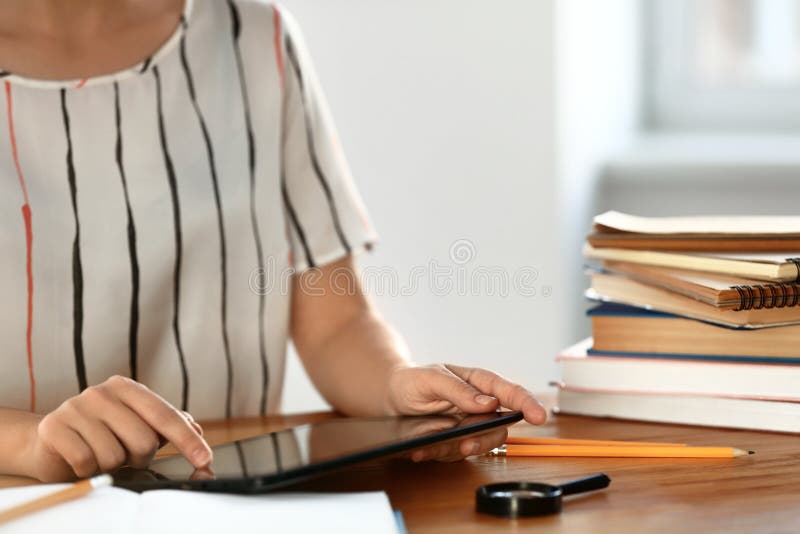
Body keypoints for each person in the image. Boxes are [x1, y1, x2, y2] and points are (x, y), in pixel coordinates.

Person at [0, 0, 546, 483]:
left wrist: (396, 388)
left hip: (226, 501)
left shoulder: (254, 38)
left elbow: (337, 323)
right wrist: (32, 441)